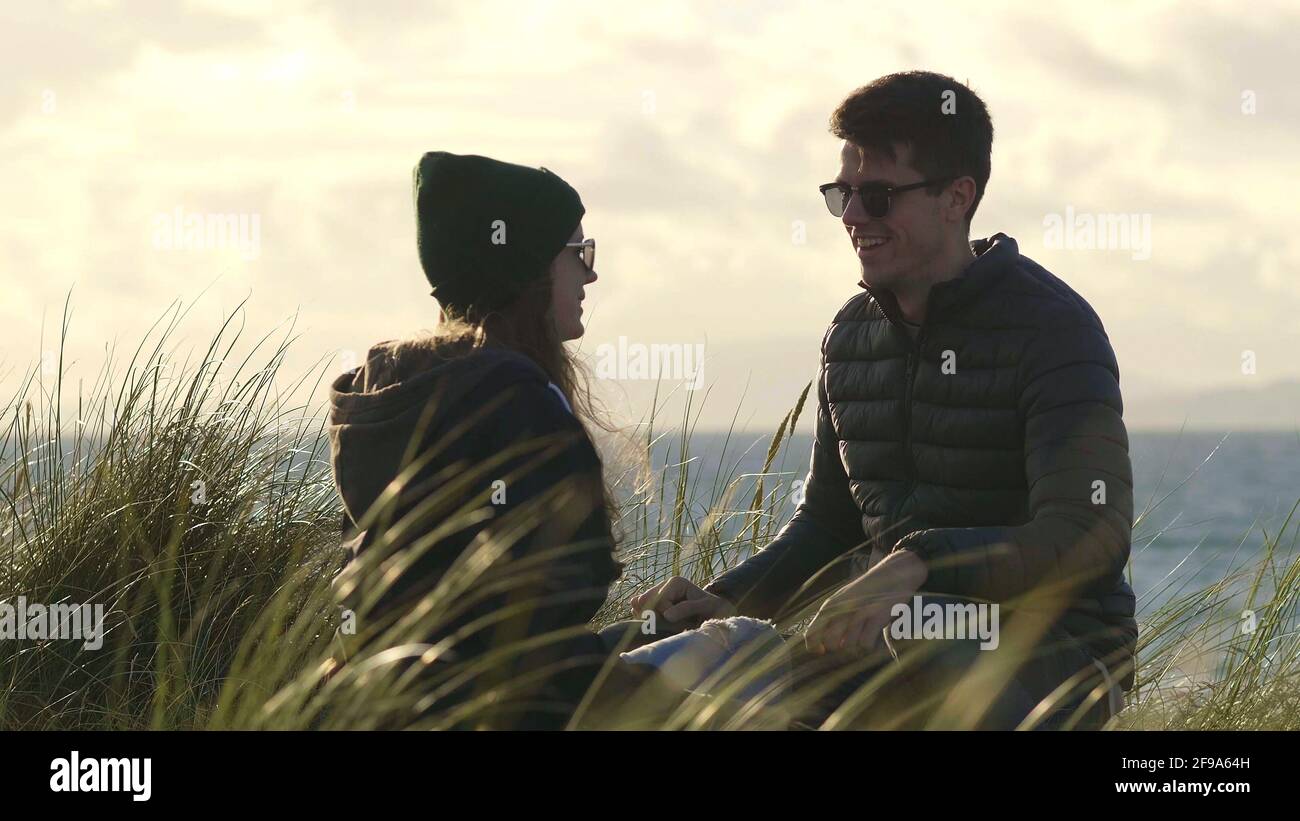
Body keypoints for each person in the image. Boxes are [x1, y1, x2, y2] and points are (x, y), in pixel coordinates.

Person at [633, 71, 1137, 730]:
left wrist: (922, 561)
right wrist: (723, 597)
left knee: (898, 659)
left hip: (1054, 660)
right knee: (638, 656)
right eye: (842, 194)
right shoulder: (850, 336)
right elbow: (827, 527)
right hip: (889, 643)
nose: (851, 217)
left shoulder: (1054, 328)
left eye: (876, 196)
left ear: (957, 197)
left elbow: (1088, 531)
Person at [327, 151, 670, 729]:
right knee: (746, 652)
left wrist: (652, 631)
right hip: (517, 712)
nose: (590, 274)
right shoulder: (517, 399)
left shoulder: (389, 400)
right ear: (531, 269)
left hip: (391, 707)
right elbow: (540, 642)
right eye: (578, 254)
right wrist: (665, 644)